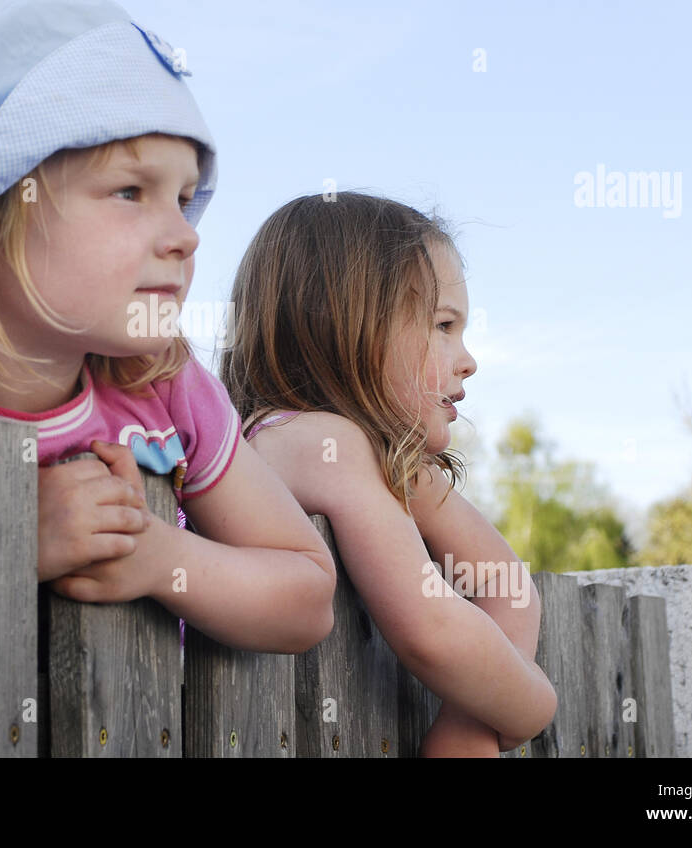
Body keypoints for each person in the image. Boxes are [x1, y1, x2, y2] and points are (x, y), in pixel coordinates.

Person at [0, 0, 335, 662]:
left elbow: (306, 598)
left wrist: (162, 557)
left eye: (184, 199)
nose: (186, 235)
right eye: (130, 191)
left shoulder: (168, 390)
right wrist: (5, 552)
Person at [218, 191, 557, 756]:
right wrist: (532, 705)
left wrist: (466, 726)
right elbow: (431, 633)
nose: (468, 358)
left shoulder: (379, 458)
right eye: (444, 325)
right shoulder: (309, 440)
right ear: (349, 326)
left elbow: (506, 584)